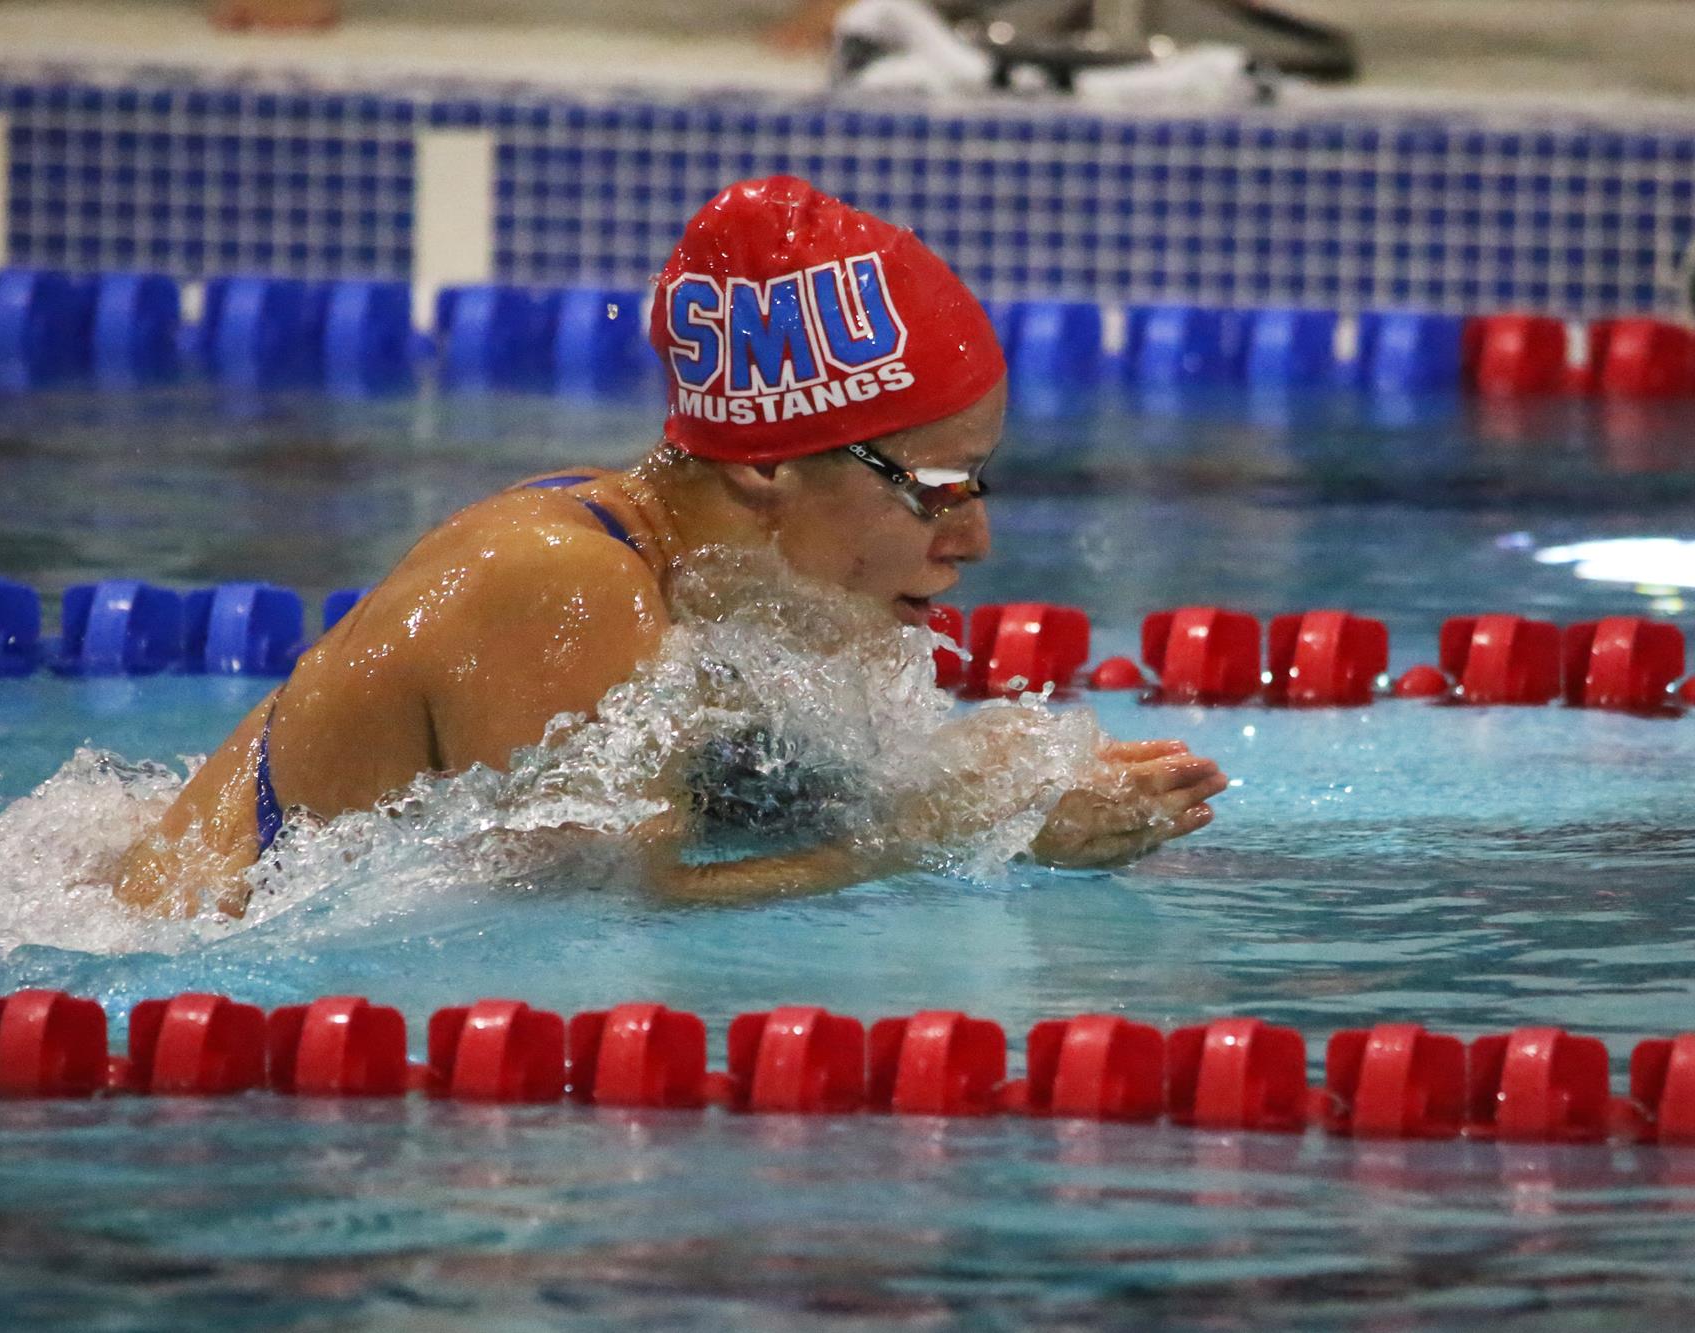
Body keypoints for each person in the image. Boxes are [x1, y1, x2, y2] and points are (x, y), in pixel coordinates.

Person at [113, 175, 1227, 917]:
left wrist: (1013, 790)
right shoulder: (559, 582)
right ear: (765, 464)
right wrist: (944, 837)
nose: (972, 539)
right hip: (179, 1013)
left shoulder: (717, 591)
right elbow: (600, 924)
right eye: (933, 488)